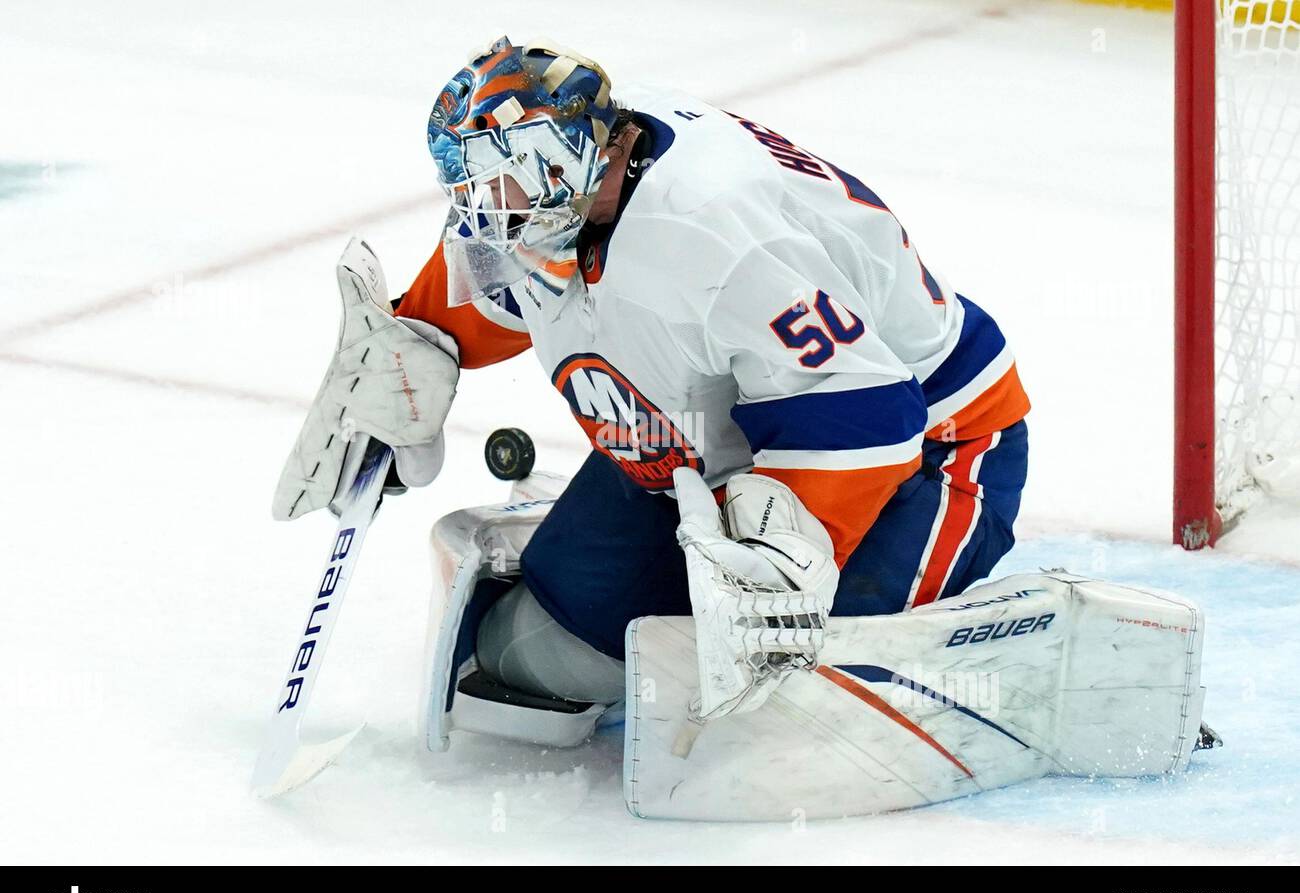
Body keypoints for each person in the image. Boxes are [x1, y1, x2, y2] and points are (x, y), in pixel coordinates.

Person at [279, 36, 1030, 709]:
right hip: (707, 440)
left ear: (563, 159)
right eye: (470, 184)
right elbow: (490, 286)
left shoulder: (715, 232)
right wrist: (414, 349)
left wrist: (779, 560)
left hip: (930, 446)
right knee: (541, 653)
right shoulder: (548, 199)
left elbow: (865, 414)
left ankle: (964, 617)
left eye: (497, 182)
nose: (480, 212)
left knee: (790, 682)